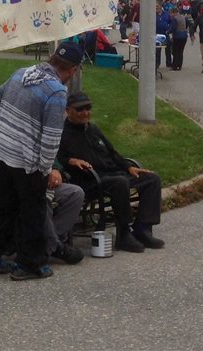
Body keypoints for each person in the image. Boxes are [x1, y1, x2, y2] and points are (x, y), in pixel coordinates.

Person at [0, 42, 82, 281]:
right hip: (27, 162)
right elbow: (51, 137)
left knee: (5, 208)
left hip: (1, 153)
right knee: (32, 212)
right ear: (72, 70)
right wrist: (45, 168)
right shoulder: (56, 91)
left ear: (52, 58)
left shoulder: (21, 73)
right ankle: (29, 264)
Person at [58, 91, 165, 253]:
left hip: (113, 173)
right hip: (90, 180)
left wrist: (128, 167)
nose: (85, 113)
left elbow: (112, 153)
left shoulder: (93, 129)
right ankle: (124, 234)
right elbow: (57, 158)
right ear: (68, 110)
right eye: (80, 109)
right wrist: (69, 161)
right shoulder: (62, 134)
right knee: (120, 183)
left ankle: (143, 228)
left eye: (88, 108)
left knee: (152, 179)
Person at [0, 123, 84, 266]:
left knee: (75, 193)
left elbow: (49, 155)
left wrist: (54, 168)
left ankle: (45, 242)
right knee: (38, 199)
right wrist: (16, 174)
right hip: (2, 191)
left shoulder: (29, 130)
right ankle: (54, 247)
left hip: (39, 182)